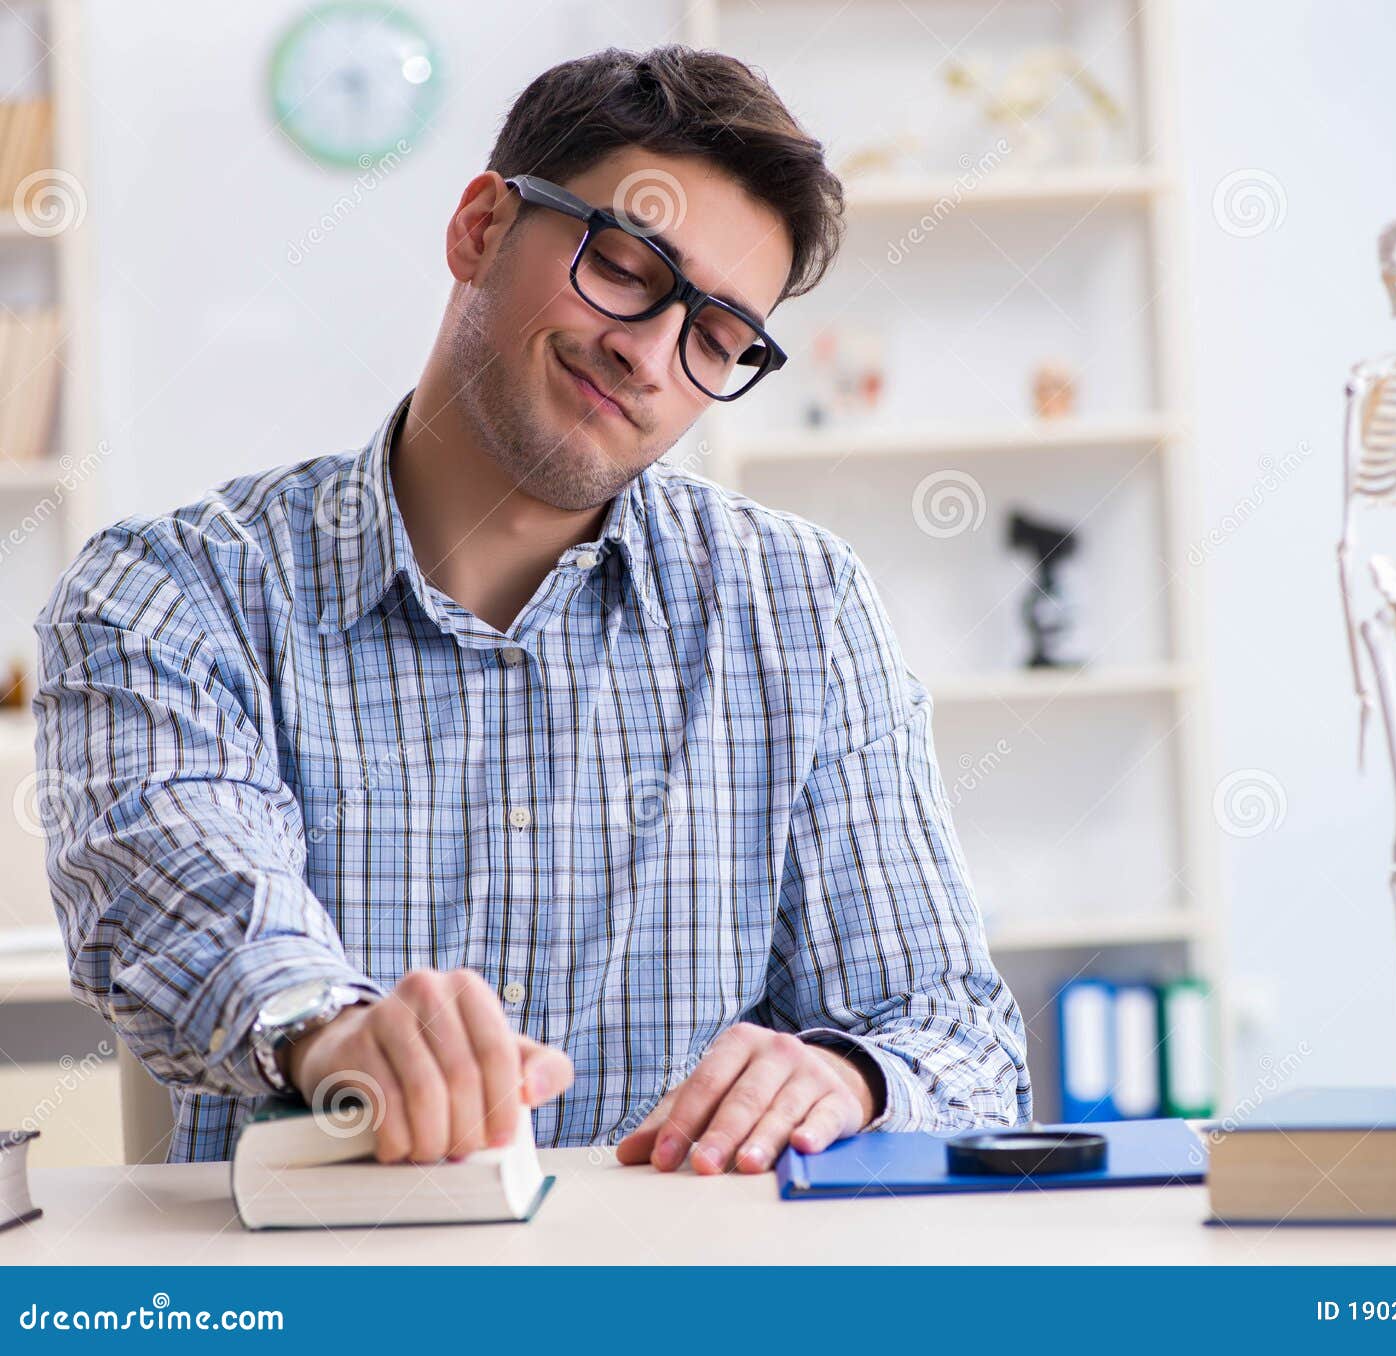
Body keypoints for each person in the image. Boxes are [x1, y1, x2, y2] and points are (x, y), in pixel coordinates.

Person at [32, 45, 1030, 1172]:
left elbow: (956, 1039)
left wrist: (848, 1075)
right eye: (627, 264)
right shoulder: (175, 592)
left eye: (715, 338)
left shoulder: (801, 610)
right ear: (480, 230)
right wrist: (339, 1037)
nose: (649, 353)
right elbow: (182, 895)